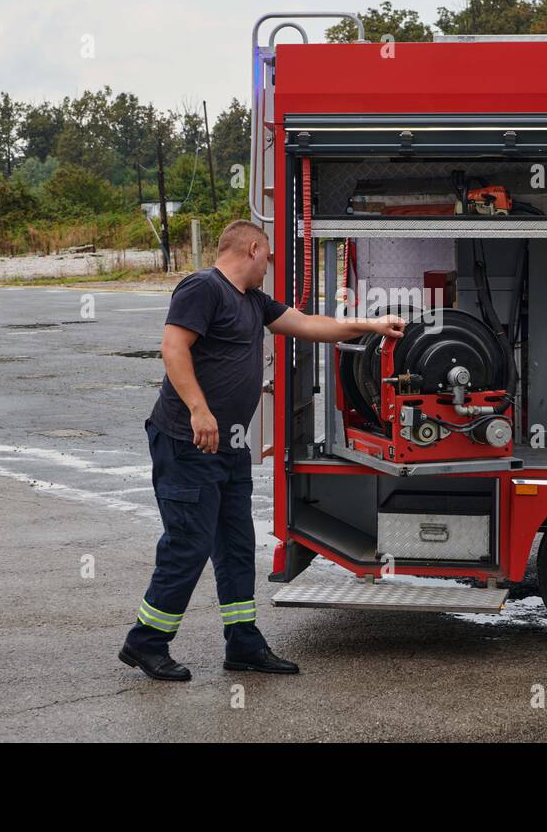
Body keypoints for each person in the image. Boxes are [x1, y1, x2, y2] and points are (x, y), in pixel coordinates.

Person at [119, 219, 404, 680]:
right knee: (187, 544)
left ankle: (243, 643)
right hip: (188, 442)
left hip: (230, 446)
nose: (269, 268)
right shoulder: (202, 288)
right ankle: (145, 642)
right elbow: (173, 348)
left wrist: (371, 324)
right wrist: (199, 409)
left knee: (236, 545)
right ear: (252, 249)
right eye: (268, 258)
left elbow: (310, 324)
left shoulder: (253, 301)